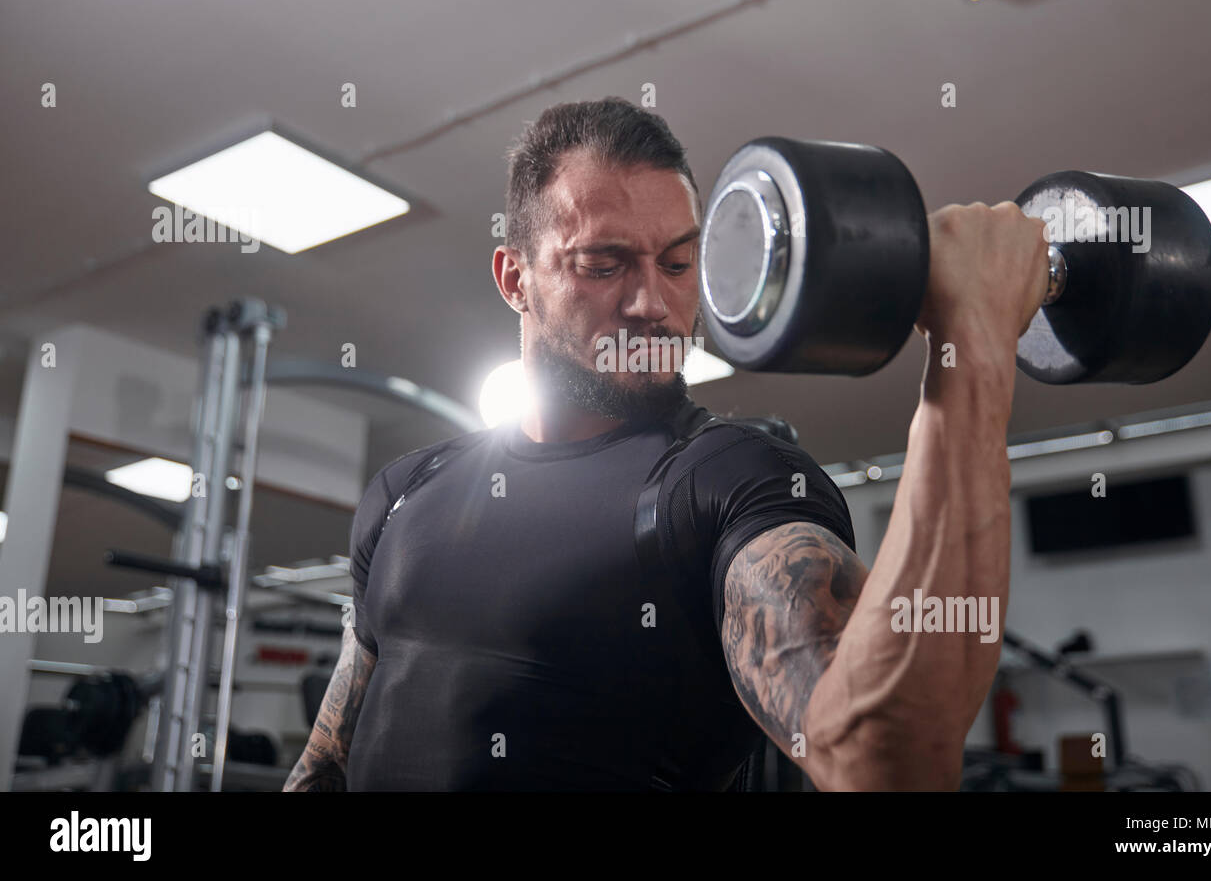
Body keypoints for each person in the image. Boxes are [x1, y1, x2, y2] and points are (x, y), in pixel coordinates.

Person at [284, 96, 1048, 791]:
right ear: (515, 278)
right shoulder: (405, 494)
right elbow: (327, 762)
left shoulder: (730, 482)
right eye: (603, 263)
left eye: (678, 262)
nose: (654, 303)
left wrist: (972, 338)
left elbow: (887, 759)